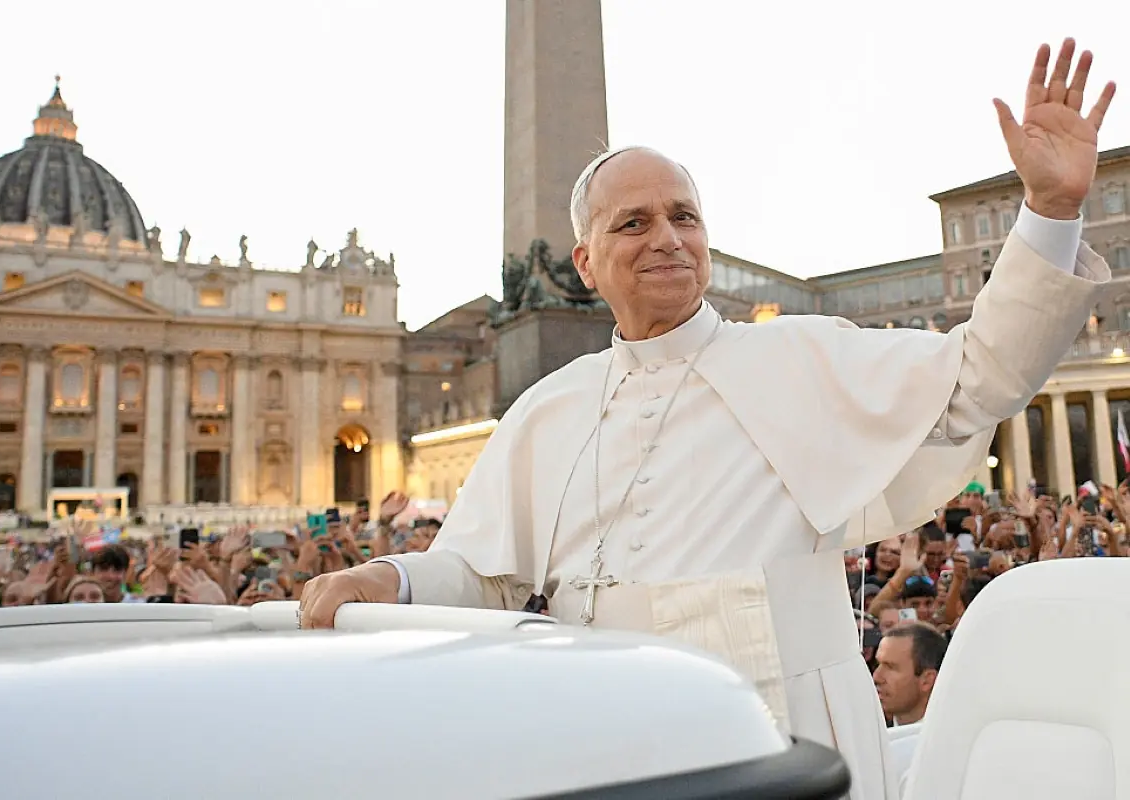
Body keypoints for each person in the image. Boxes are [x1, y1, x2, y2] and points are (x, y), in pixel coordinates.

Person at [300, 40, 1117, 799]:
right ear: (584, 264)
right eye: (634, 222)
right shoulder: (550, 409)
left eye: (683, 216)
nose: (668, 239)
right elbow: (482, 572)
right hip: (610, 739)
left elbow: (983, 374)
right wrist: (388, 578)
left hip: (787, 739)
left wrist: (1048, 208)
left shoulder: (802, 359)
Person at [873, 623, 949, 727]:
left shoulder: (956, 737)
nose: (876, 677)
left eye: (891, 667)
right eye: (878, 664)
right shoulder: (867, 733)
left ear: (927, 680)